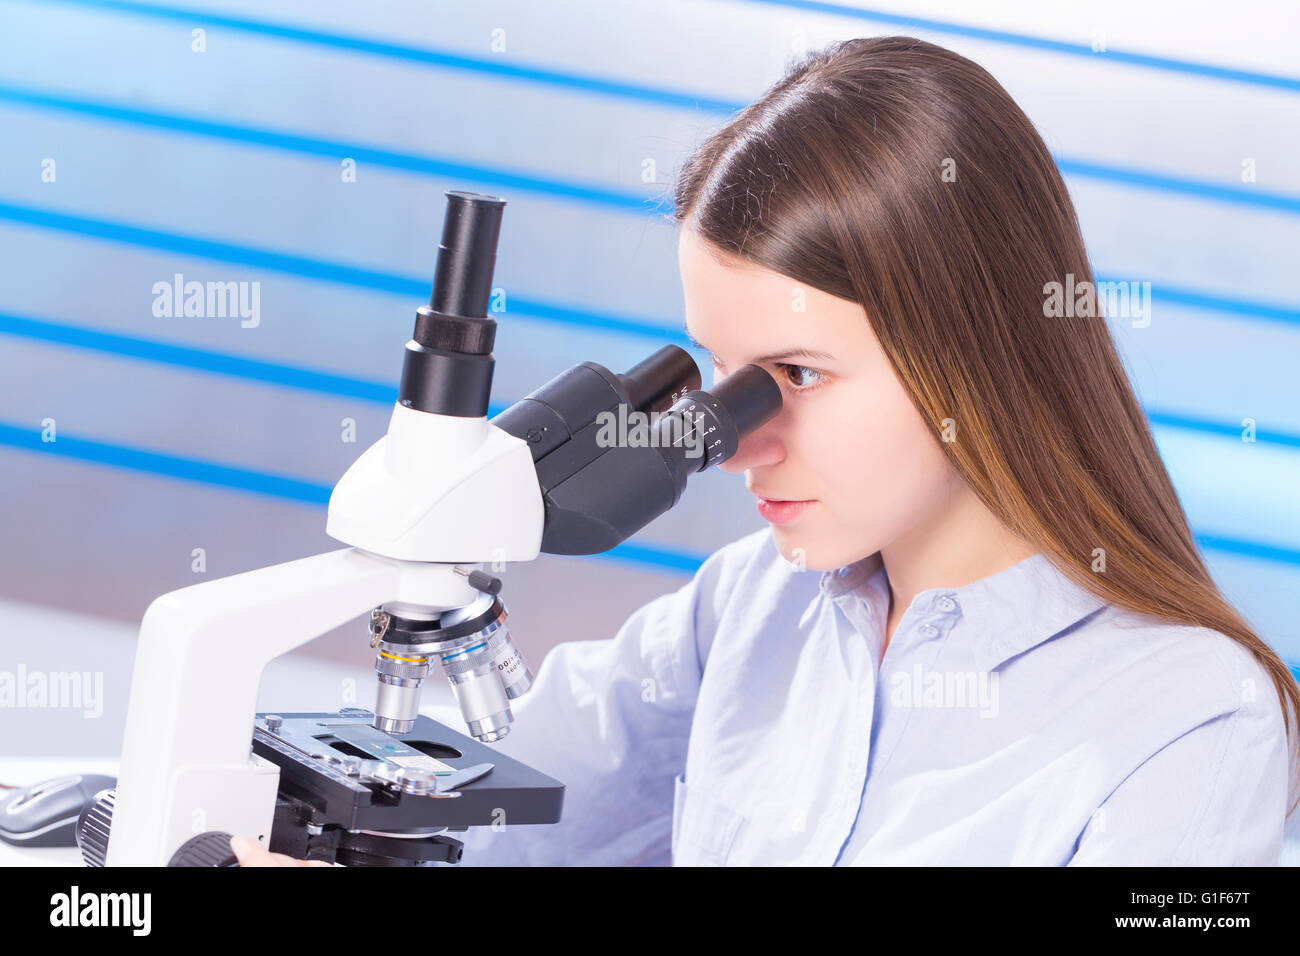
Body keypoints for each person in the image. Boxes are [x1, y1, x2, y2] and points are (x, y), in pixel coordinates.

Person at [233, 34, 1300, 868]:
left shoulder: (1194, 720)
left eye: (797, 374)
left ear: (972, 355)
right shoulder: (745, 611)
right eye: (722, 370)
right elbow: (497, 821)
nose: (739, 446)